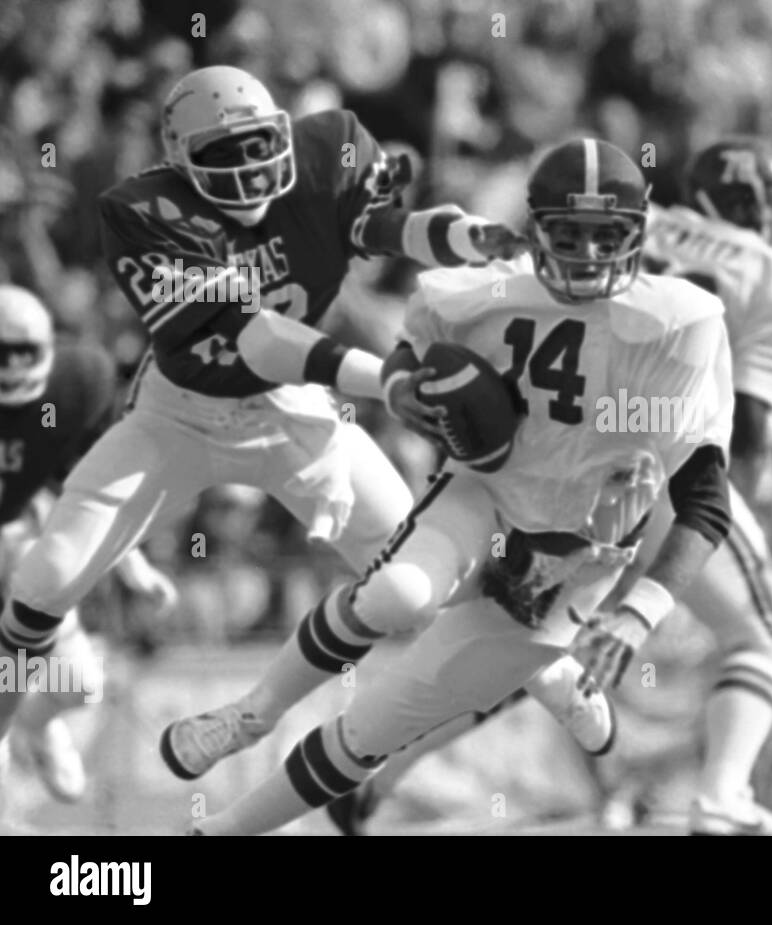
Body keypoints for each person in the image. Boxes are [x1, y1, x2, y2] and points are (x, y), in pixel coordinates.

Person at [172, 137, 737, 836]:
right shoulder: (482, 292)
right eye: (569, 233)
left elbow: (706, 501)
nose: (588, 254)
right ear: (536, 232)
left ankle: (211, 834)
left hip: (578, 554)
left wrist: (637, 611)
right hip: (486, 493)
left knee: (369, 731)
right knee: (395, 595)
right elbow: (417, 354)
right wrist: (408, 389)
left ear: (636, 236)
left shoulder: (679, 325)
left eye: (606, 236)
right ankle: (251, 712)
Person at [0, 65, 531, 751]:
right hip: (181, 414)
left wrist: (462, 238)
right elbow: (257, 335)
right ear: (182, 162)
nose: (250, 168)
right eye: (226, 153)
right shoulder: (144, 213)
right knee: (45, 578)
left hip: (289, 412)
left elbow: (379, 226)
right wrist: (386, 382)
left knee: (424, 573)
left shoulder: (325, 152)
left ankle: (553, 675)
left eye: (258, 144)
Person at [325, 137, 772, 836]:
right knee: (761, 639)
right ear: (752, 207)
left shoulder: (605, 223)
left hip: (535, 468)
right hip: (656, 469)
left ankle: (379, 772)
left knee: (524, 644)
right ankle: (721, 796)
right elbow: (750, 440)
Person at [0, 284, 176, 804]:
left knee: (77, 684)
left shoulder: (78, 382)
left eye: (21, 351)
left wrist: (131, 559)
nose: (11, 366)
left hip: (24, 541)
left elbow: (86, 481)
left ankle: (35, 723)